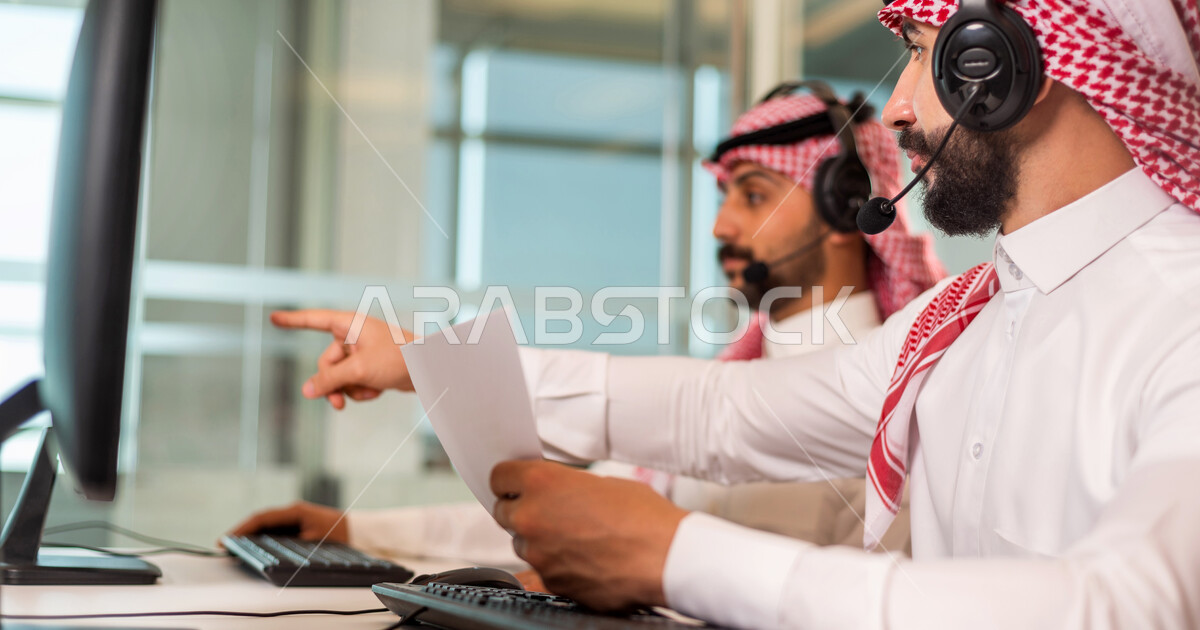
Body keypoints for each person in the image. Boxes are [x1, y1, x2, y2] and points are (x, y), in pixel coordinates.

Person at [480, 0, 1200, 627]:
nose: (897, 108)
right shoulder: (955, 322)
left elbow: (1139, 604)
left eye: (922, 53)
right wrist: (452, 369)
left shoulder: (1183, 313)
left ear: (1003, 66)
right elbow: (721, 414)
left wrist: (674, 557)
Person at [229, 85, 943, 565]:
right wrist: (352, 530)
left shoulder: (897, 401)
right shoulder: (742, 370)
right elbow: (559, 511)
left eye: (753, 196)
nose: (720, 227)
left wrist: (429, 360)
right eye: (725, 197)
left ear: (846, 209)